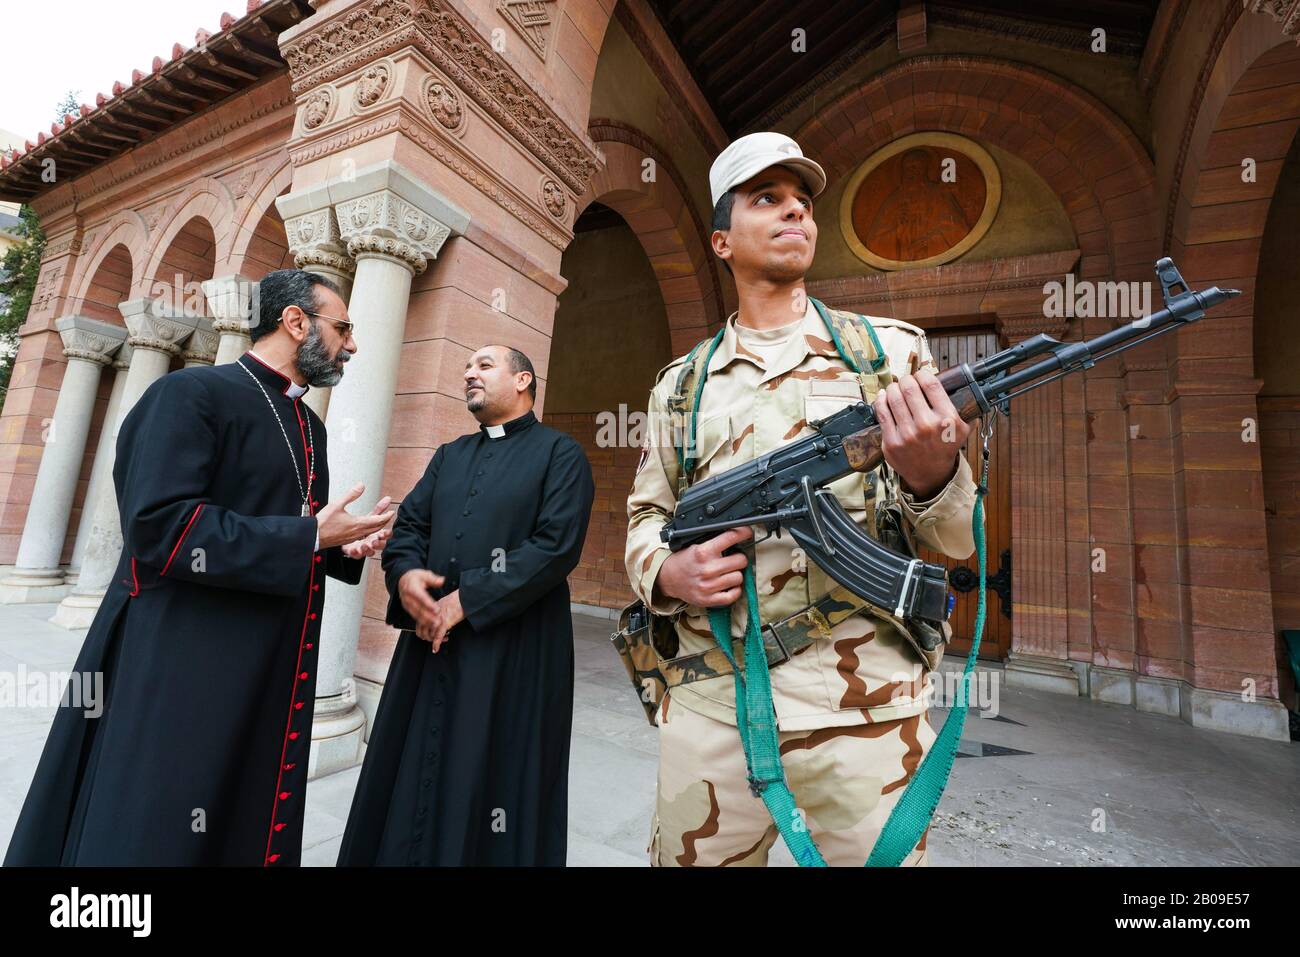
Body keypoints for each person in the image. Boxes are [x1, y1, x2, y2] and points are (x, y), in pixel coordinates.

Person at [625, 132, 978, 867]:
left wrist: (931, 475)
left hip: (868, 712)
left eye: (803, 201)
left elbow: (954, 545)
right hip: (712, 701)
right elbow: (645, 519)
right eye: (768, 199)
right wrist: (667, 573)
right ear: (721, 240)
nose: (796, 213)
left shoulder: (888, 354)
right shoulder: (681, 386)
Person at [4, 269, 394, 866]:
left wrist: (339, 545)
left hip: (268, 660)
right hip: (184, 657)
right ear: (295, 322)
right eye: (342, 327)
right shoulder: (189, 396)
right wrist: (311, 534)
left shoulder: (309, 426)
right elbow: (162, 526)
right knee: (163, 820)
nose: (353, 343)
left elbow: (287, 525)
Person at [337, 344, 595, 866]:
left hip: (515, 651)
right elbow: (409, 524)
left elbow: (554, 546)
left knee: (491, 774)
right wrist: (406, 576)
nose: (468, 373)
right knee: (415, 769)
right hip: (431, 645)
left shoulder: (561, 454)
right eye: (466, 367)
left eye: (484, 366)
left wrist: (465, 601)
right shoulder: (450, 454)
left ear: (523, 381)